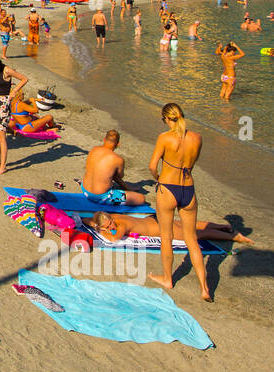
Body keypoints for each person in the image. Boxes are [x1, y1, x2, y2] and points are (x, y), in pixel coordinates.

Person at [146, 102, 210, 301]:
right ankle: (204, 288)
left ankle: (167, 279)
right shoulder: (196, 138)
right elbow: (192, 163)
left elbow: (152, 165)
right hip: (188, 189)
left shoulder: (165, 138)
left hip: (168, 188)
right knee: (192, 239)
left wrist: (158, 177)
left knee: (167, 236)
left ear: (167, 118)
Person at [86, 211, 253, 245]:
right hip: (154, 220)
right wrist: (92, 224)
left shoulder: (120, 225)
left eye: (110, 223)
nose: (112, 226)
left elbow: (114, 239)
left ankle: (233, 236)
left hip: (161, 229)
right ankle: (224, 226)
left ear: (109, 219)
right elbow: (90, 220)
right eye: (109, 226)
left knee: (196, 235)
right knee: (187, 224)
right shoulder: (111, 217)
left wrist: (103, 231)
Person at [0, 56, 27, 174]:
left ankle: (3, 165)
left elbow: (24, 79)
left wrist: (14, 91)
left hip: (3, 104)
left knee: (1, 136)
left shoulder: (6, 70)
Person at [82, 130, 148, 207]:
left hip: (85, 189)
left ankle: (127, 187)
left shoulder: (93, 149)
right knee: (141, 198)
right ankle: (127, 189)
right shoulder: (118, 159)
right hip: (100, 197)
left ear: (104, 139)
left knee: (108, 172)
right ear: (118, 144)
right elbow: (120, 176)